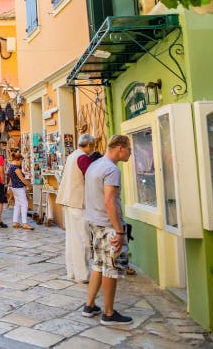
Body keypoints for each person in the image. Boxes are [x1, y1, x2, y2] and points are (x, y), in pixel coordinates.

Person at [83, 135, 133, 326]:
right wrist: (119, 231)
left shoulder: (94, 165)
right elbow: (110, 201)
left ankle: (89, 305)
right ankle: (109, 313)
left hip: (94, 223)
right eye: (129, 149)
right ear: (120, 148)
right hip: (108, 225)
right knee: (111, 268)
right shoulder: (111, 169)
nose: (130, 153)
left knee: (98, 264)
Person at [56, 133, 96, 283]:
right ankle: (82, 274)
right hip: (78, 203)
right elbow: (91, 178)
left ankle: (72, 271)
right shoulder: (83, 158)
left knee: (72, 239)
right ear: (90, 145)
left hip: (69, 201)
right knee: (82, 240)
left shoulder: (72, 155)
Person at [9, 153, 33, 230]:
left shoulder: (10, 166)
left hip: (14, 188)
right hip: (19, 188)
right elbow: (22, 179)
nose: (21, 163)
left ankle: (15, 221)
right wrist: (29, 185)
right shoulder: (16, 168)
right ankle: (25, 223)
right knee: (24, 204)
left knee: (17, 204)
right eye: (21, 161)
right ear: (17, 160)